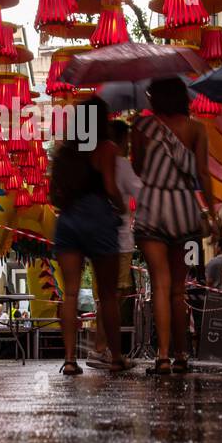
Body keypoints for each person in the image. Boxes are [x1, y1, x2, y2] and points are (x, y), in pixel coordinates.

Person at [132, 76, 215, 375]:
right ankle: (182, 355)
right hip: (182, 208)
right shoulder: (196, 129)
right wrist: (212, 213)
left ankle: (162, 356)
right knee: (179, 290)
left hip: (152, 207)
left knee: (160, 285)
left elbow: (138, 169)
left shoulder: (141, 127)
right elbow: (203, 174)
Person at [49, 98, 131, 375]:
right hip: (98, 218)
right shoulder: (105, 148)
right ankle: (117, 357)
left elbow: (54, 196)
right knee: (108, 295)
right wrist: (120, 207)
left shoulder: (64, 151)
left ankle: (70, 360)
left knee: (70, 293)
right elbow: (110, 187)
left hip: (69, 220)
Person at [88, 118, 142, 370]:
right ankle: (103, 349)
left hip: (95, 238)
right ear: (122, 140)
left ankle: (102, 349)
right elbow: (141, 194)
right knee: (114, 297)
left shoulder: (93, 162)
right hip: (119, 240)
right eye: (128, 140)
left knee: (104, 298)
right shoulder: (121, 163)